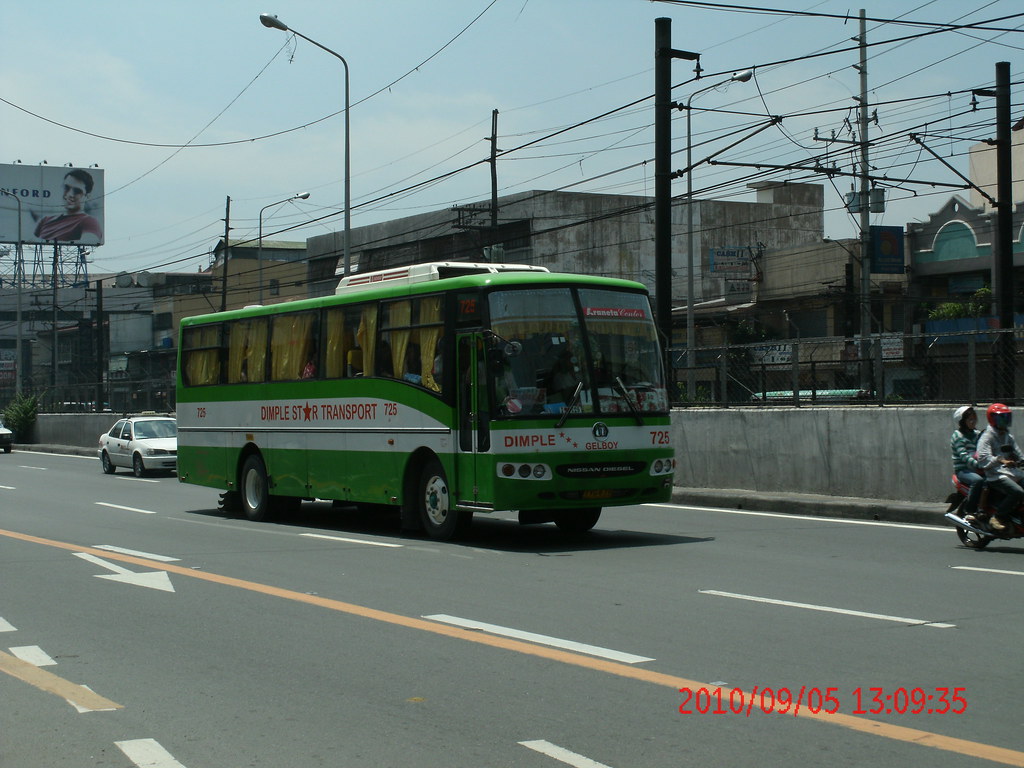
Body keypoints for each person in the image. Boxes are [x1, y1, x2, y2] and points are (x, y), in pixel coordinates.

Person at [975, 402, 1024, 533]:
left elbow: (1019, 454)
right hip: (996, 475)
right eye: (1002, 418)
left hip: (1012, 473)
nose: (1005, 421)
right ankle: (998, 517)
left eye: (1007, 418)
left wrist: (1021, 460)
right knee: (1018, 492)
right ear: (992, 419)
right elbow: (983, 459)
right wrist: (1000, 459)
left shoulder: (1008, 437)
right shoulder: (987, 437)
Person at [33, 169, 103, 244]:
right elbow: (31, 239)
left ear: (87, 196)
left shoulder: (89, 222)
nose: (70, 194)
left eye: (77, 191)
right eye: (67, 188)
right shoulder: (45, 220)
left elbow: (91, 240)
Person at [950, 406, 983, 516]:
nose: (973, 421)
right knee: (977, 481)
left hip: (979, 467)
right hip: (964, 470)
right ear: (962, 421)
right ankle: (970, 510)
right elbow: (964, 456)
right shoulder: (958, 436)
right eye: (970, 419)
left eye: (974, 418)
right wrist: (978, 465)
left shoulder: (977, 434)